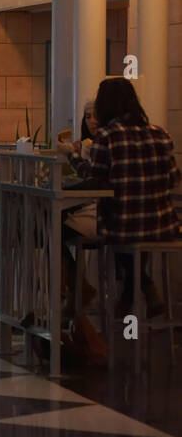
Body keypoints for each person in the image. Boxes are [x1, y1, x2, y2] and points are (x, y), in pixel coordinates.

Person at [58, 77, 180, 317]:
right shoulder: (160, 133)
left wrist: (72, 156)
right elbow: (174, 178)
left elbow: (94, 179)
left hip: (122, 226)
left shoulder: (108, 136)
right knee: (137, 224)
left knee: (122, 225)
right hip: (164, 225)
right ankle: (139, 290)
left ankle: (124, 294)